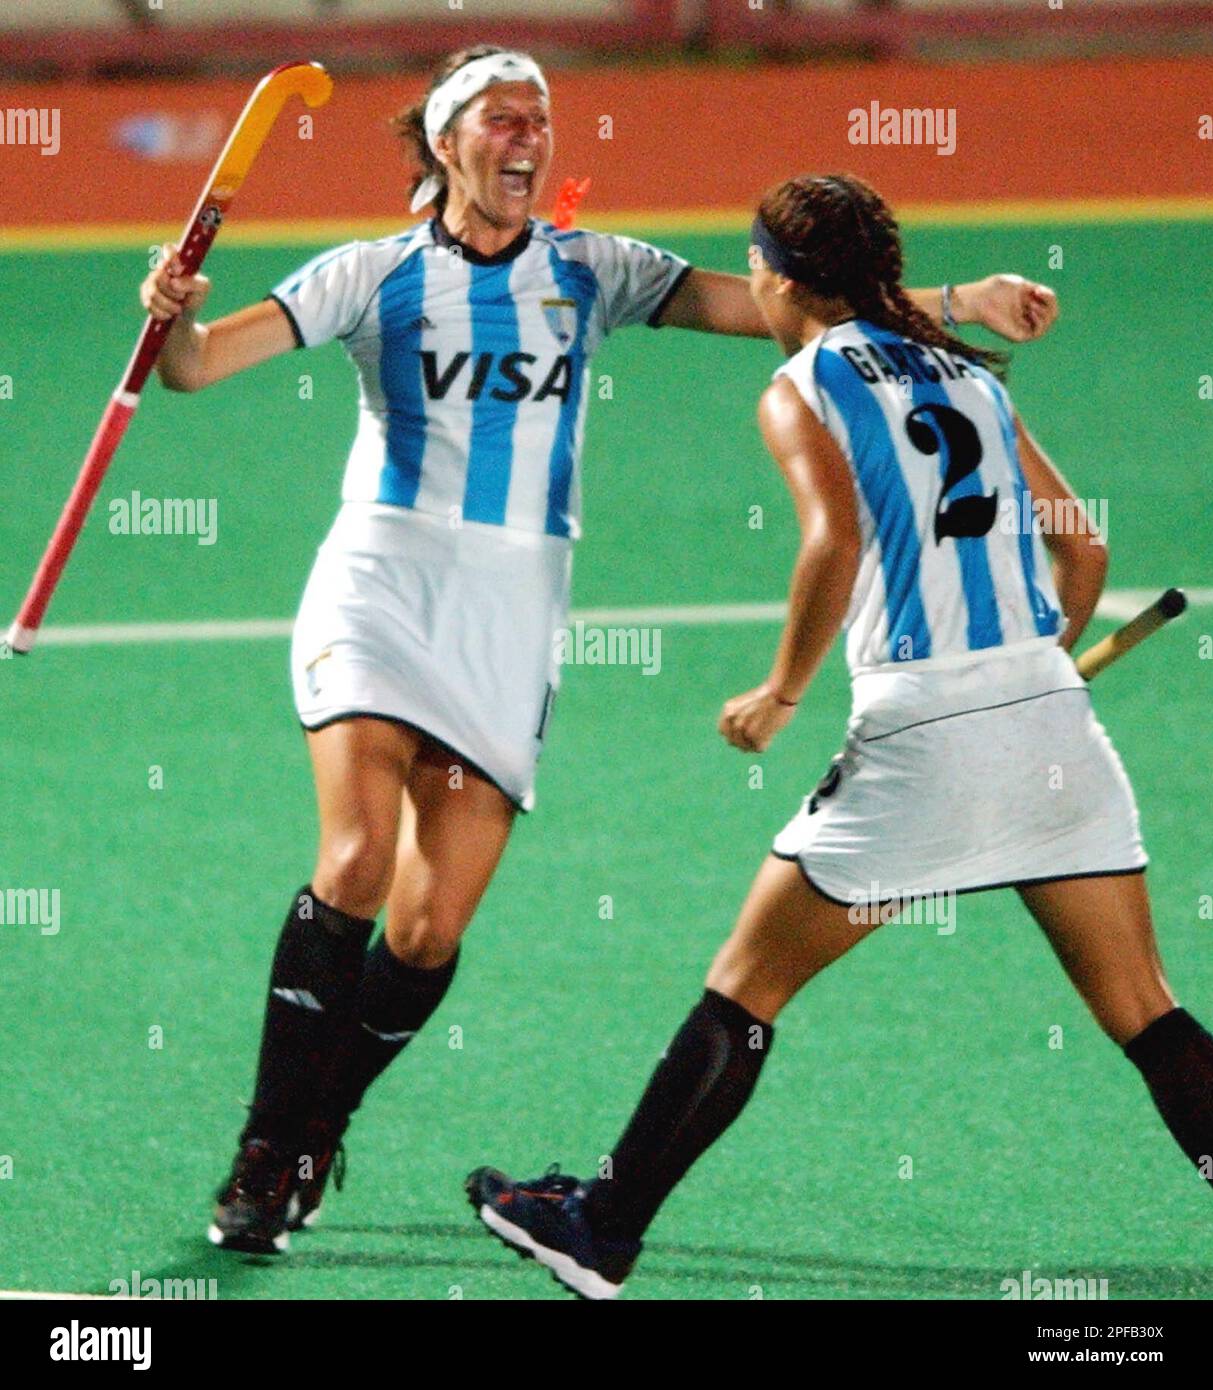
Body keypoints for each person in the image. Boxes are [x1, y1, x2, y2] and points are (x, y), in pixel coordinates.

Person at [139, 45, 1057, 1256]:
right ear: (448, 141)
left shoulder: (594, 270)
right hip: (382, 583)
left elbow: (775, 309)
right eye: (503, 120)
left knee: (425, 933)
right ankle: (266, 1151)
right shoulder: (371, 275)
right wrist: (171, 317)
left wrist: (960, 303)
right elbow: (200, 368)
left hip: (512, 611)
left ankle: (317, 1130)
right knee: (356, 857)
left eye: (542, 120)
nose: (528, 139)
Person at [465, 172, 1213, 1301]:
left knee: (743, 985)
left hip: (920, 735)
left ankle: (601, 1226)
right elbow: (1086, 555)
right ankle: (600, 1217)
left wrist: (779, 692)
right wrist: (1035, 664)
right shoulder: (969, 375)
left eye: (752, 262)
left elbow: (833, 541)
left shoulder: (800, 383)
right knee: (1144, 1008)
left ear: (776, 274)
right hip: (1056, 729)